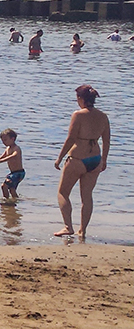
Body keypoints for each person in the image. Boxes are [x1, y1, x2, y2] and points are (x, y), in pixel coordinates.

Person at [53, 84, 110, 238]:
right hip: (95, 159)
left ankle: (68, 227)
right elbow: (106, 140)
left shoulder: (78, 115)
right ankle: (82, 231)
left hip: (78, 157)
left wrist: (59, 158)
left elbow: (71, 138)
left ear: (80, 98)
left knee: (63, 192)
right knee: (87, 196)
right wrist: (104, 160)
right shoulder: (103, 116)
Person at [0, 128, 24, 201]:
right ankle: (15, 201)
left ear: (13, 139)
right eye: (2, 140)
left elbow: (13, 156)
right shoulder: (7, 148)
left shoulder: (16, 148)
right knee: (12, 189)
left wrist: (1, 161)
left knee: (4, 186)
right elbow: (3, 156)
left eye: (5, 140)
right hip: (13, 173)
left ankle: (6, 200)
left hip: (19, 173)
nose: (4, 142)